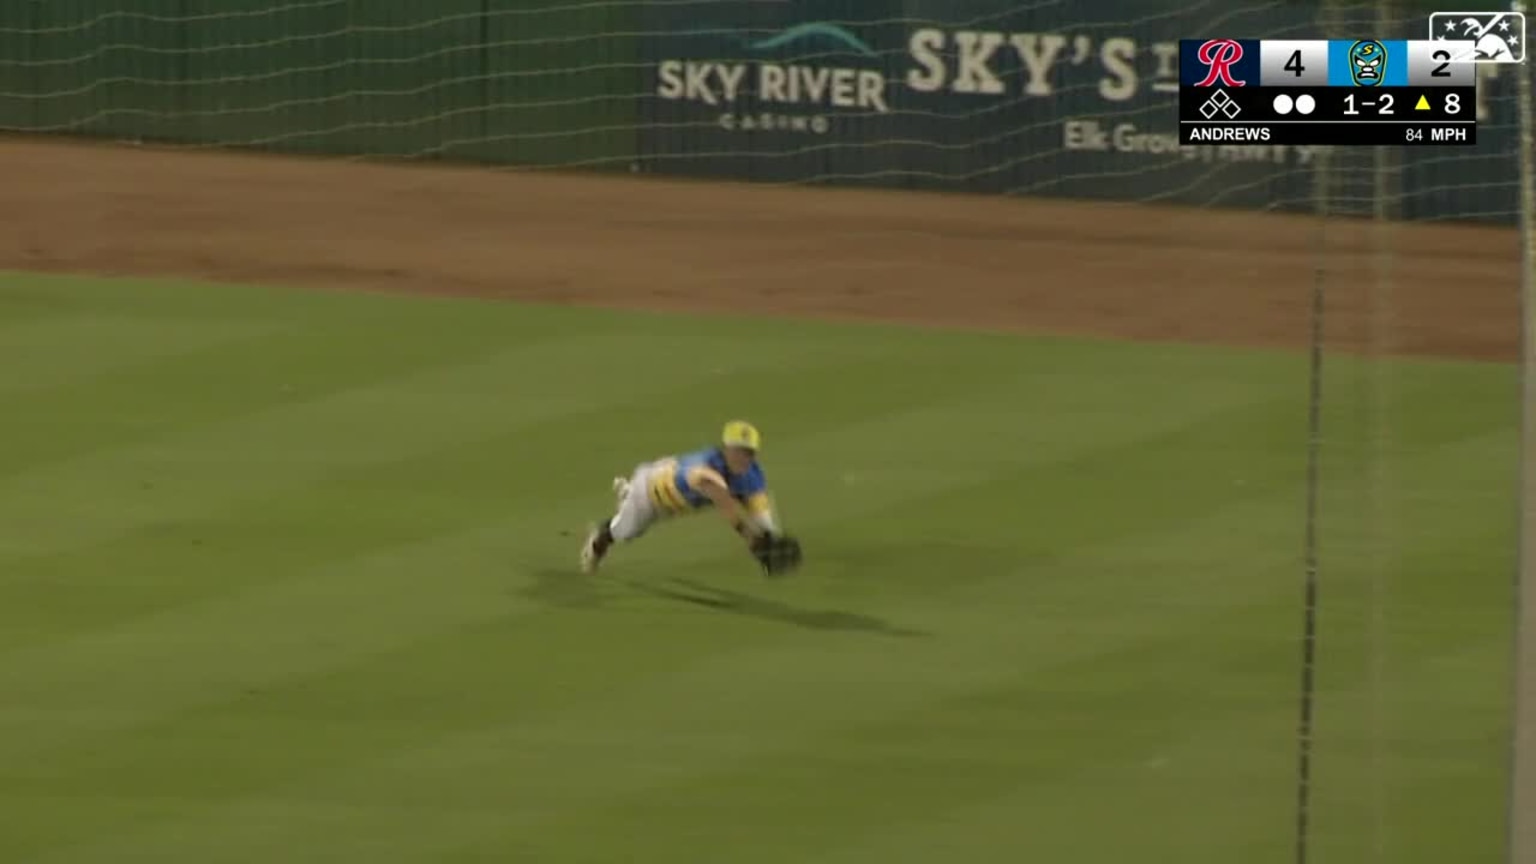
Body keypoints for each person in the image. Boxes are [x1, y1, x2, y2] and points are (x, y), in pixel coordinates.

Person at [581, 420, 779, 573]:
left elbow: (759, 507)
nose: (742, 457)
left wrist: (770, 538)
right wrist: (751, 538)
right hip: (649, 495)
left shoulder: (752, 475)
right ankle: (600, 535)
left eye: (748, 452)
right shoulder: (705, 469)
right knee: (625, 533)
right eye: (737, 451)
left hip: (673, 493)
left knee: (750, 505)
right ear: (725, 449)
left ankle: (626, 496)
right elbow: (725, 502)